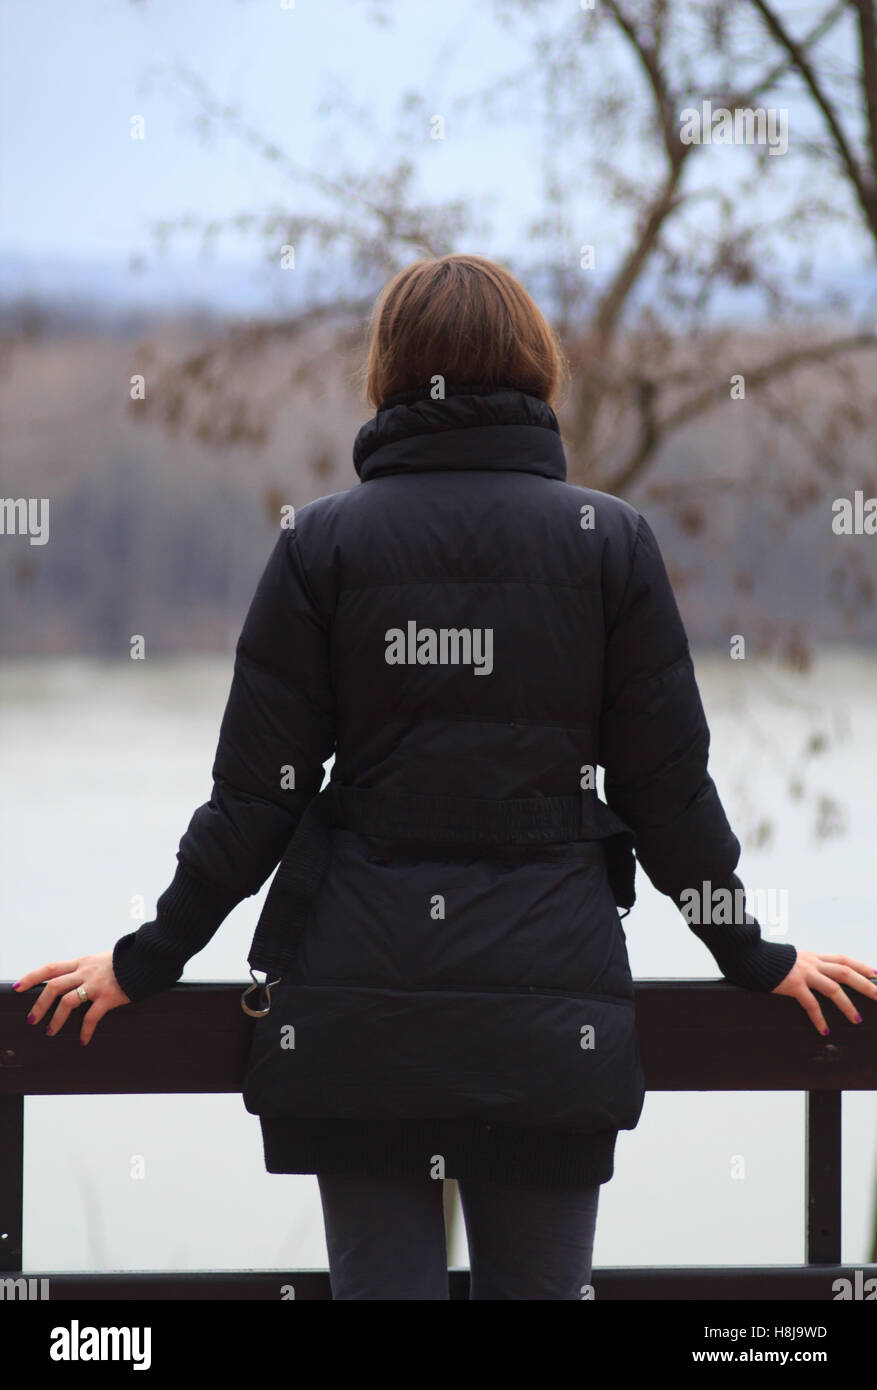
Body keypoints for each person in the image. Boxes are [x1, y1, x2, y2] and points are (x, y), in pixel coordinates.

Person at [14, 253, 877, 1300]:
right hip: (547, 1014)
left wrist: (145, 959)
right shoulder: (609, 542)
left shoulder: (321, 545)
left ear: (389, 369)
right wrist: (754, 952)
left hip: (358, 1010)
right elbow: (668, 796)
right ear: (533, 364)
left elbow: (256, 798)